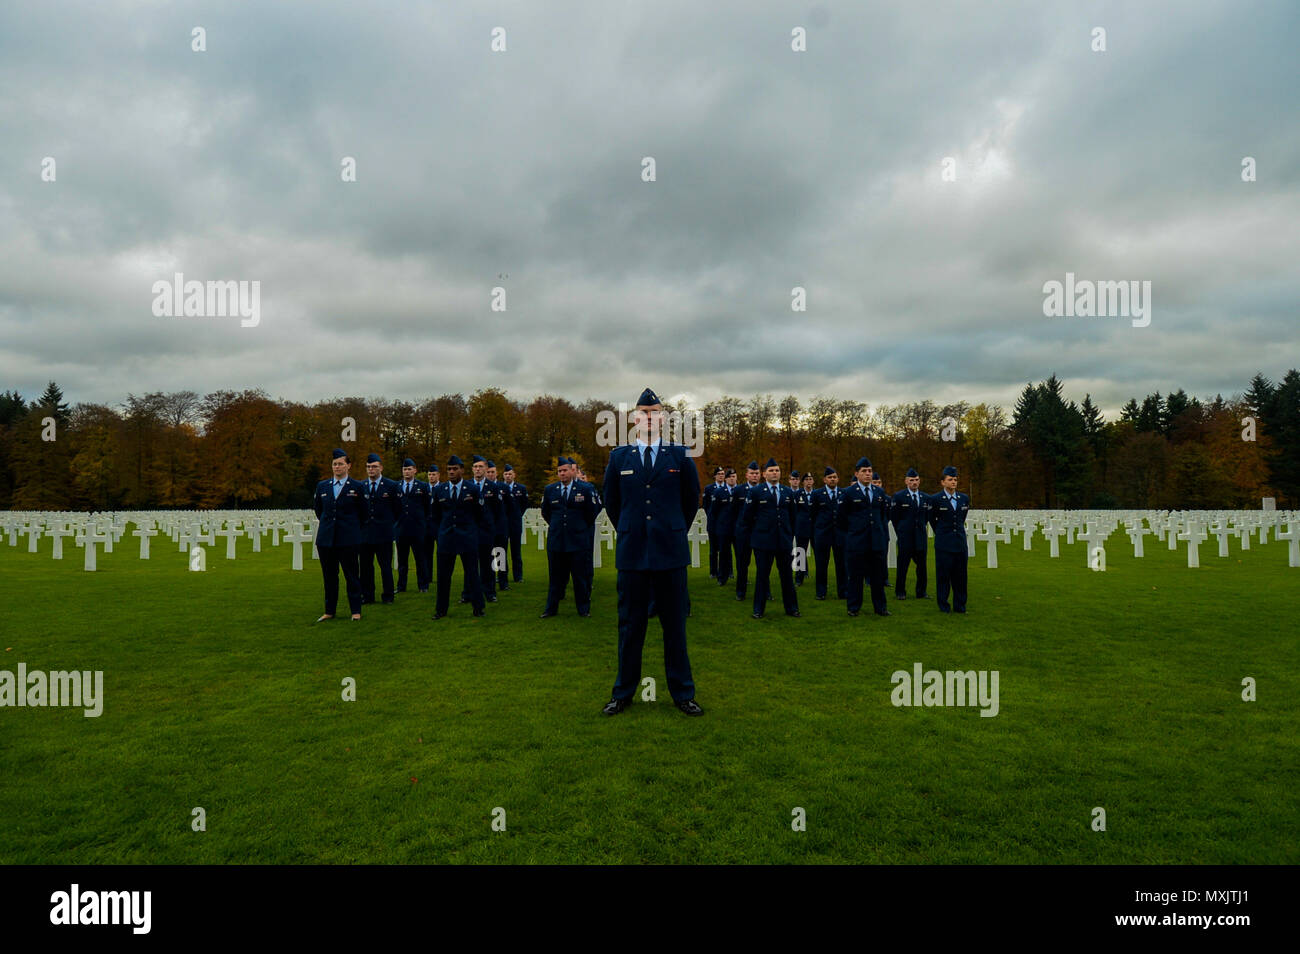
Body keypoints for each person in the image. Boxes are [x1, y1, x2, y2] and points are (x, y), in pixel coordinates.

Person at [601, 388, 702, 717]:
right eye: (643, 413)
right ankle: (623, 692)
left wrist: (672, 530)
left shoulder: (680, 455)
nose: (649, 418)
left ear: (663, 418)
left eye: (655, 413)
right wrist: (633, 531)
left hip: (670, 553)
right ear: (633, 419)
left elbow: (691, 500)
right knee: (630, 627)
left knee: (675, 627)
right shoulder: (619, 457)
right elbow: (612, 503)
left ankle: (683, 693)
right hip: (632, 554)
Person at [431, 455, 490, 619]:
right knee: (443, 577)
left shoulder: (472, 489)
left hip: (467, 538)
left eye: (454, 469)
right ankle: (441, 610)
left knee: (472, 575)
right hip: (446, 538)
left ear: (462, 470)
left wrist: (472, 533)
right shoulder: (439, 490)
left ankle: (478, 608)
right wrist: (440, 533)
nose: (451, 472)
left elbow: (480, 515)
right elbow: (435, 516)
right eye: (449, 469)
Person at [539, 456, 600, 618]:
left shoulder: (585, 489)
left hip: (578, 540)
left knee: (580, 578)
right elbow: (546, 512)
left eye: (565, 470)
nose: (562, 473)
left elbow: (591, 512)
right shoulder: (550, 490)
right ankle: (551, 609)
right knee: (555, 578)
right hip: (557, 541)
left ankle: (583, 609)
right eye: (559, 471)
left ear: (572, 471)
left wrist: (579, 527)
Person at [741, 458, 800, 619]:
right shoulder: (755, 492)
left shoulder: (787, 492)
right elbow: (747, 518)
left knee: (787, 576)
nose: (775, 473)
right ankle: (758, 609)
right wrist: (757, 535)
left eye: (777, 470)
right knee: (762, 576)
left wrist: (789, 534)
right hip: (763, 542)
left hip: (783, 541)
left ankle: (792, 608)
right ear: (764, 474)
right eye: (771, 470)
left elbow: (793, 517)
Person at [313, 449, 366, 622]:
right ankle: (329, 610)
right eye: (335, 464)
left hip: (348, 539)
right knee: (329, 577)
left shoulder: (357, 487)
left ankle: (355, 611)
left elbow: (364, 513)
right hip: (326, 540)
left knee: (351, 576)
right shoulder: (323, 486)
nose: (337, 467)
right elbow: (319, 511)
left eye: (341, 463)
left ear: (348, 466)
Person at [838, 457, 891, 617]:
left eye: (870, 471)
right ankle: (854, 607)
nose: (868, 474)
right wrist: (854, 533)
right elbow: (841, 519)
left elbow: (882, 515)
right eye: (864, 471)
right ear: (857, 474)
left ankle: (880, 607)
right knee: (856, 577)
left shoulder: (879, 492)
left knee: (878, 577)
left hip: (876, 542)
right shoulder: (848, 493)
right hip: (857, 542)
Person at [358, 453, 402, 604]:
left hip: (384, 534)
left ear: (381, 468)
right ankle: (368, 595)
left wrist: (388, 524)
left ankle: (388, 595)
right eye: (368, 467)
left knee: (385, 567)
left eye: (374, 466)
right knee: (365, 568)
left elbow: (398, 509)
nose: (371, 469)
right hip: (365, 534)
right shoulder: (361, 486)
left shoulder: (391, 486)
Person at [927, 465, 970, 613]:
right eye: (950, 479)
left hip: (960, 543)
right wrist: (942, 533)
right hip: (944, 544)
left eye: (955, 479)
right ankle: (943, 605)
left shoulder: (963, 498)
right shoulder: (936, 499)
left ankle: (960, 605)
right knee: (943, 576)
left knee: (961, 577)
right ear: (943, 482)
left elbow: (961, 518)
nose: (953, 482)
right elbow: (932, 519)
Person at [466, 455, 501, 603]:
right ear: (472, 469)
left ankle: (489, 592)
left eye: (480, 467)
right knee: (469, 564)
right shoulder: (466, 485)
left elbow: (498, 511)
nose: (478, 469)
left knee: (488, 564)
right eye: (475, 467)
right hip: (470, 531)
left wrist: (494, 529)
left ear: (486, 469)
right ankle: (467, 593)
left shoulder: (493, 487)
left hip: (486, 531)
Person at [891, 467, 929, 600]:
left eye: (917, 480)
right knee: (903, 566)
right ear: (906, 481)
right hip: (905, 538)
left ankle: (921, 592)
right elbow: (895, 518)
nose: (914, 482)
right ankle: (900, 591)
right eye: (912, 480)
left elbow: (927, 517)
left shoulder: (925, 497)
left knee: (922, 567)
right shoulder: (899, 497)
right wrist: (902, 532)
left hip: (920, 538)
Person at [809, 466, 846, 600]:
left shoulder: (843, 493)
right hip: (823, 534)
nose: (832, 479)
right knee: (821, 565)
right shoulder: (817, 494)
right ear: (824, 480)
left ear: (838, 479)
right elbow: (812, 514)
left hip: (840, 535)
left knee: (842, 565)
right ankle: (821, 592)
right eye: (830, 477)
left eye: (834, 477)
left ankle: (843, 592)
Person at [395, 458, 431, 593]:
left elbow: (428, 508)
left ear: (415, 470)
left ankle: (423, 585)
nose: (407, 472)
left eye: (409, 469)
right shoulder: (397, 486)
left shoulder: (422, 486)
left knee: (420, 559)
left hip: (417, 529)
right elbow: (395, 507)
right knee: (402, 561)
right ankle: (401, 586)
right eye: (405, 469)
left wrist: (423, 524)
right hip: (401, 529)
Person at [732, 461, 761, 602]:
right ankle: (741, 591)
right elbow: (733, 513)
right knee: (742, 564)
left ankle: (764, 591)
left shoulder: (763, 489)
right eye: (752, 473)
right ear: (746, 475)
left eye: (757, 473)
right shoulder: (738, 491)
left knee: (763, 565)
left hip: (760, 532)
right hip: (743, 533)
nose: (754, 476)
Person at [486, 461, 511, 593]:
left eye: (492, 472)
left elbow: (510, 508)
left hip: (500, 527)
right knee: (487, 557)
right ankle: (488, 583)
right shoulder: (481, 487)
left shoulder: (504, 487)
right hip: (486, 528)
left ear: (497, 473)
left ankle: (503, 582)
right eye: (488, 472)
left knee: (500, 555)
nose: (490, 474)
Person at [503, 464, 529, 582]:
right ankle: (501, 575)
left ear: (514, 475)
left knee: (516, 551)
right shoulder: (498, 487)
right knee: (500, 550)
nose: (508, 476)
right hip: (502, 523)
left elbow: (524, 504)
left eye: (510, 474)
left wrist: (517, 515)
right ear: (503, 475)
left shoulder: (521, 488)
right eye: (506, 474)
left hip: (515, 523)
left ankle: (518, 576)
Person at [712, 468, 737, 585]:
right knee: (723, 554)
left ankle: (742, 577)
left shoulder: (741, 491)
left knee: (741, 554)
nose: (732, 479)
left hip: (738, 529)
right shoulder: (719, 492)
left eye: (734, 476)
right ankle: (722, 577)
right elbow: (714, 512)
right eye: (730, 477)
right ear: (726, 479)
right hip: (724, 528)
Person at [702, 467, 726, 579]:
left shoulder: (728, 489)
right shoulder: (709, 488)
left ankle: (726, 571)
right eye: (719, 474)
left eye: (722, 474)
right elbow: (706, 506)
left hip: (725, 524)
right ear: (715, 476)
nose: (721, 476)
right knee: (713, 550)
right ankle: (713, 572)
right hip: (713, 523)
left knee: (725, 550)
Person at [793, 471, 814, 585]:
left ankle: (820, 578)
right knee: (800, 553)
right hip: (802, 528)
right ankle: (798, 579)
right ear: (803, 482)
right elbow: (794, 511)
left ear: (813, 481)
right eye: (806, 480)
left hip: (815, 528)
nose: (809, 481)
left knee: (820, 555)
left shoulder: (817, 494)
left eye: (810, 479)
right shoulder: (797, 494)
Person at [422, 464, 440, 588]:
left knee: (441, 553)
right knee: (427, 553)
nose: (431, 477)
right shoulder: (424, 489)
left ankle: (441, 576)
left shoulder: (442, 488)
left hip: (439, 526)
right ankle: (427, 577)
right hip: (427, 526)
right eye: (429, 474)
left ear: (438, 475)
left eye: (433, 474)